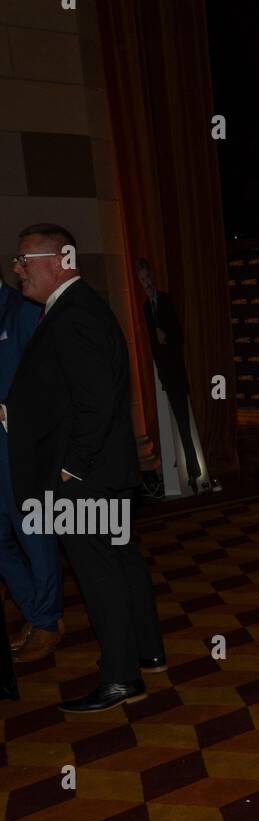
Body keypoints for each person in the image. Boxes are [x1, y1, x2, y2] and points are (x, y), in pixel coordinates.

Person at [3, 223, 166, 712]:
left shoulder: (72, 315)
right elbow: (75, 397)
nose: (16, 269)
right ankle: (146, 652)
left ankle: (120, 678)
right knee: (120, 560)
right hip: (102, 472)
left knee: (100, 575)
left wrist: (70, 470)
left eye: (24, 260)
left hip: (85, 479)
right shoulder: (77, 308)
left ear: (60, 261)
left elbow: (96, 404)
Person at [0, 270, 64, 663]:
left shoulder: (21, 309)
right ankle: (37, 612)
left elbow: (46, 380)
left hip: (19, 449)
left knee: (33, 535)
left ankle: (47, 621)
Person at [135, 257, 207, 493]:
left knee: (184, 423)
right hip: (162, 373)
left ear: (152, 276)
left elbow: (178, 334)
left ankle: (194, 472)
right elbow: (151, 343)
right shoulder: (146, 307)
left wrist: (166, 337)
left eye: (147, 278)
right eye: (141, 280)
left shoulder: (165, 300)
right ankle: (183, 468)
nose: (145, 283)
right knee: (172, 424)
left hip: (175, 371)